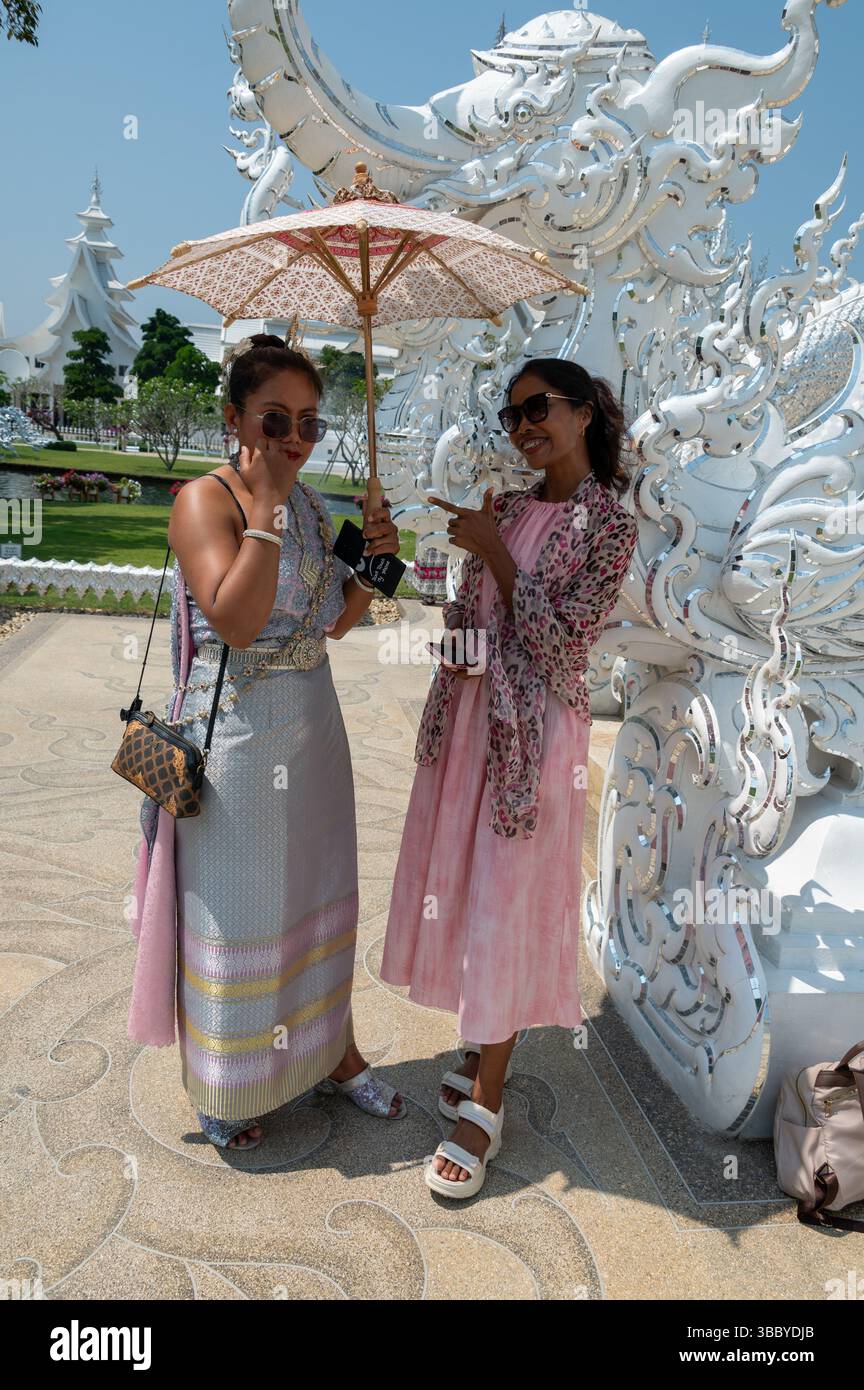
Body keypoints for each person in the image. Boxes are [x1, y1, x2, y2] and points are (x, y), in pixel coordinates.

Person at [127, 333, 404, 1150]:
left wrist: (374, 567)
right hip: (238, 739)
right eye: (275, 419)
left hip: (313, 725)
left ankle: (334, 1052)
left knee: (315, 893)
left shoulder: (317, 506)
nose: (293, 439)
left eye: (310, 424)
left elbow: (333, 624)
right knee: (242, 908)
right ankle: (229, 1082)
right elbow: (239, 621)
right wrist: (267, 511)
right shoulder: (205, 501)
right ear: (233, 418)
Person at [379, 357, 639, 1198]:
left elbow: (565, 647)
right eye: (511, 414)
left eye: (538, 409)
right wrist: (463, 583)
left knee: (510, 896)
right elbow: (477, 621)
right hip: (470, 724)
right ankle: (480, 1037)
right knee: (465, 887)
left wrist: (495, 551)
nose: (522, 427)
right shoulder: (515, 506)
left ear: (584, 413)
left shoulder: (610, 526)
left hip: (535, 739)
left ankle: (486, 1100)